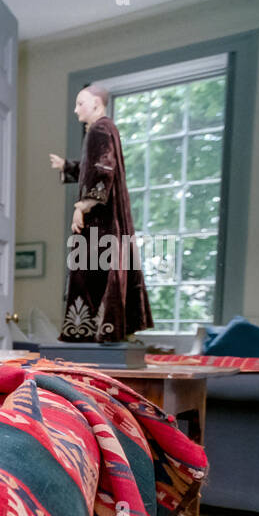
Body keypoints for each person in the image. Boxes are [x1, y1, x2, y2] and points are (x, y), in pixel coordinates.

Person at [48, 83, 153, 342]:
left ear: (96, 103)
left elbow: (103, 168)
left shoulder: (99, 128)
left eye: (80, 103)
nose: (75, 110)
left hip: (101, 221)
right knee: (105, 269)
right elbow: (94, 166)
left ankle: (91, 336)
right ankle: (112, 331)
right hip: (111, 219)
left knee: (90, 273)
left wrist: (81, 207)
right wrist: (67, 166)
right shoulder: (108, 129)